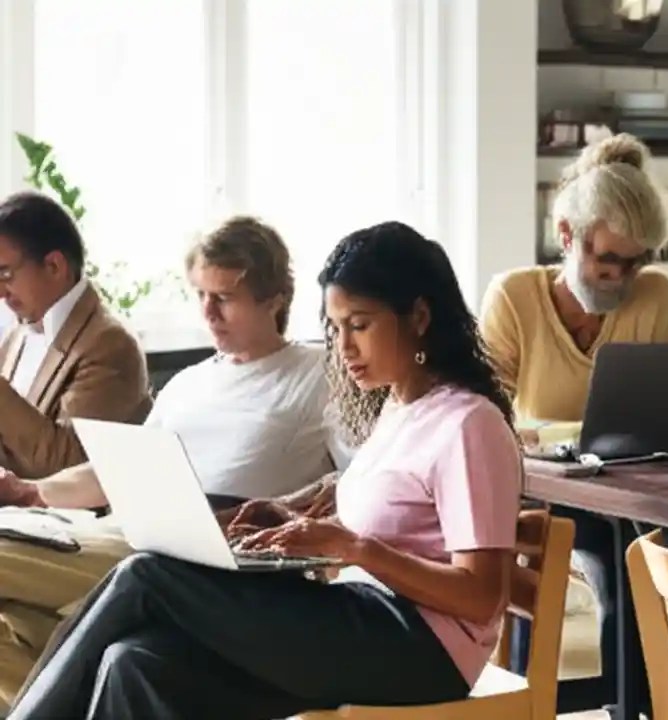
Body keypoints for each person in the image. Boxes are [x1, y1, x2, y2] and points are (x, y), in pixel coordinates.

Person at [7, 220, 523, 719]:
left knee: (146, 575)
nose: (343, 349)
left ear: (419, 317)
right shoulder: (398, 409)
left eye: (360, 325)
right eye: (335, 328)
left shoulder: (468, 423)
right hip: (364, 616)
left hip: (420, 650)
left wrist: (351, 548)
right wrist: (291, 516)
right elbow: (398, 520)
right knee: (135, 663)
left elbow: (480, 596)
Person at [0, 216, 346, 711]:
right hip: (135, 530)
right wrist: (30, 493)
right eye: (200, 295)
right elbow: (110, 475)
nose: (208, 313)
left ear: (273, 299)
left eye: (224, 298)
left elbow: (363, 477)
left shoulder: (317, 375)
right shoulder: (189, 383)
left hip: (209, 553)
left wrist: (298, 514)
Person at [480, 132, 668, 423]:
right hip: (537, 468)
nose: (619, 276)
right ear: (567, 235)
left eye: (636, 261)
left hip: (637, 469)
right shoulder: (513, 298)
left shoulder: (655, 296)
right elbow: (486, 418)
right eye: (608, 259)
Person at [0, 191, 150, 479]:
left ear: (55, 266)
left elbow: (68, 468)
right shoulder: (16, 335)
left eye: (6, 275)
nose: (0, 293)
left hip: (68, 521)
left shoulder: (110, 345)